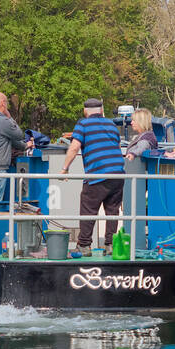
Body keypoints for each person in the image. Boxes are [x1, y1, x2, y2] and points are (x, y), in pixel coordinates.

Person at [62, 98, 126, 255]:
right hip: (118, 173)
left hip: (98, 173)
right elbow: (117, 147)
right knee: (112, 210)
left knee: (88, 209)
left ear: (85, 111)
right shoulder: (111, 125)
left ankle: (84, 245)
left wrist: (64, 168)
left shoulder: (83, 124)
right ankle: (110, 246)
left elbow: (74, 147)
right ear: (101, 110)